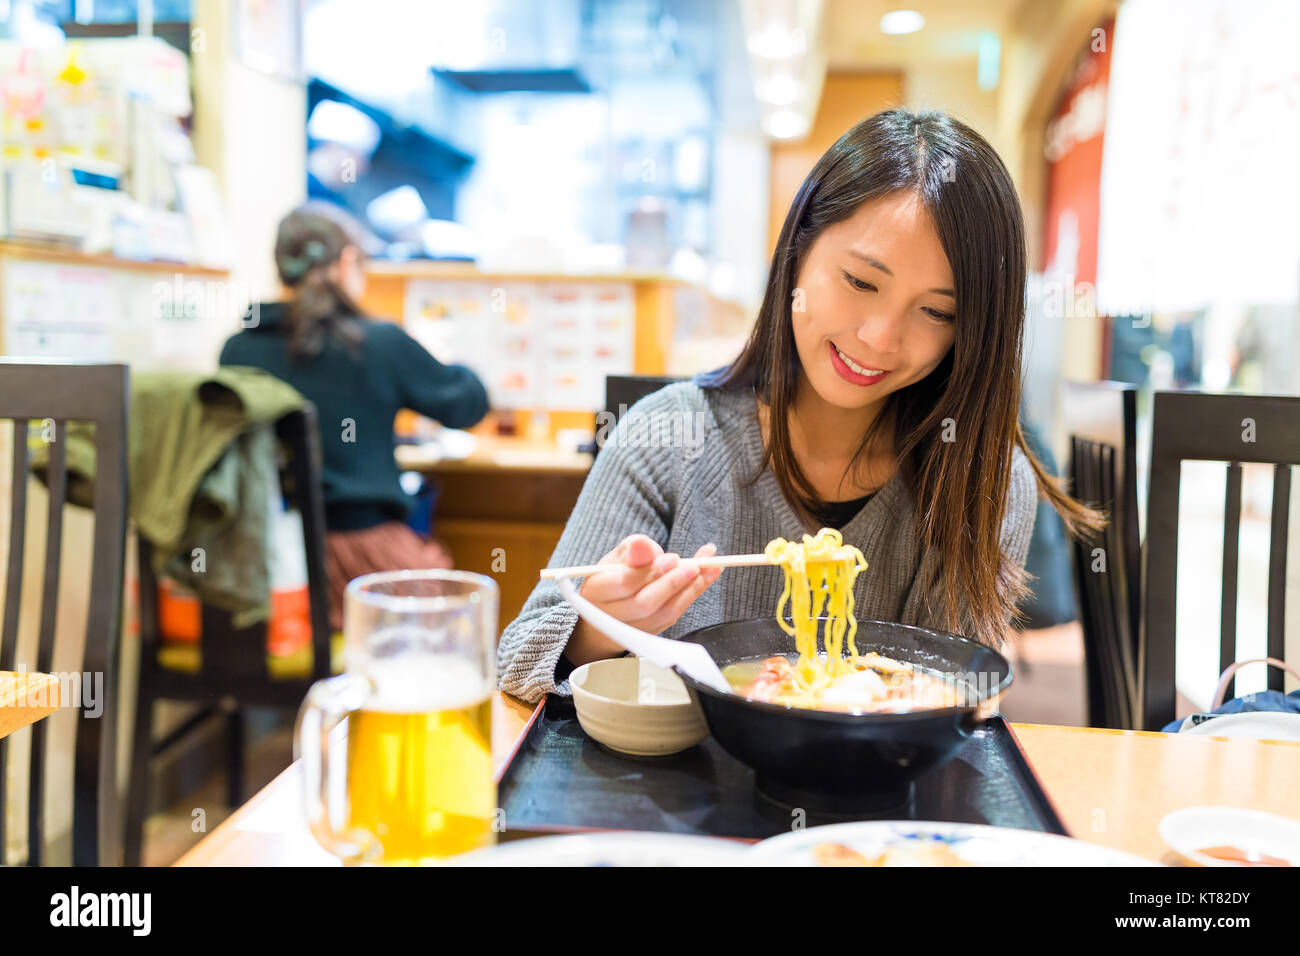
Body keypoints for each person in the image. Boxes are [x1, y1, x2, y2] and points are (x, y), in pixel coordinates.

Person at [498, 108, 1103, 704]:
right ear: (797, 253)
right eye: (861, 282)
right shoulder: (668, 436)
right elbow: (519, 661)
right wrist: (598, 627)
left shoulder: (982, 479)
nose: (880, 337)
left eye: (938, 311)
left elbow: (955, 700)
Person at [220, 203, 489, 631]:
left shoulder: (238, 349)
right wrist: (434, 355)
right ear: (347, 262)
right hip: (366, 560)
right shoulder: (378, 342)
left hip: (267, 565)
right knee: (449, 602)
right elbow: (468, 405)